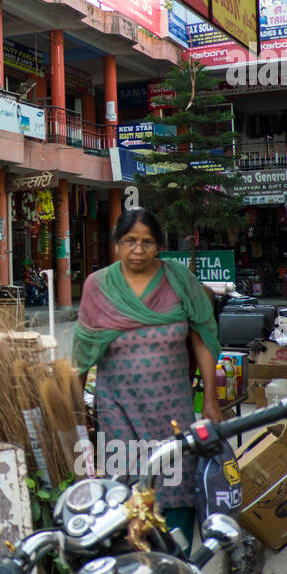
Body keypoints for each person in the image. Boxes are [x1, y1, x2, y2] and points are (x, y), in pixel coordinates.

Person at [73, 210, 222, 549]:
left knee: (177, 481)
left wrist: (211, 400)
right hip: (118, 406)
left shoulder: (179, 280)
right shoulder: (98, 286)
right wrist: (73, 410)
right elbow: (82, 350)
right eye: (130, 241)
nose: (137, 250)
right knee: (125, 485)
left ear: (159, 247)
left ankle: (177, 558)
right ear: (116, 245)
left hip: (172, 407)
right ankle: (134, 563)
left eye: (147, 242)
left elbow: (203, 336)